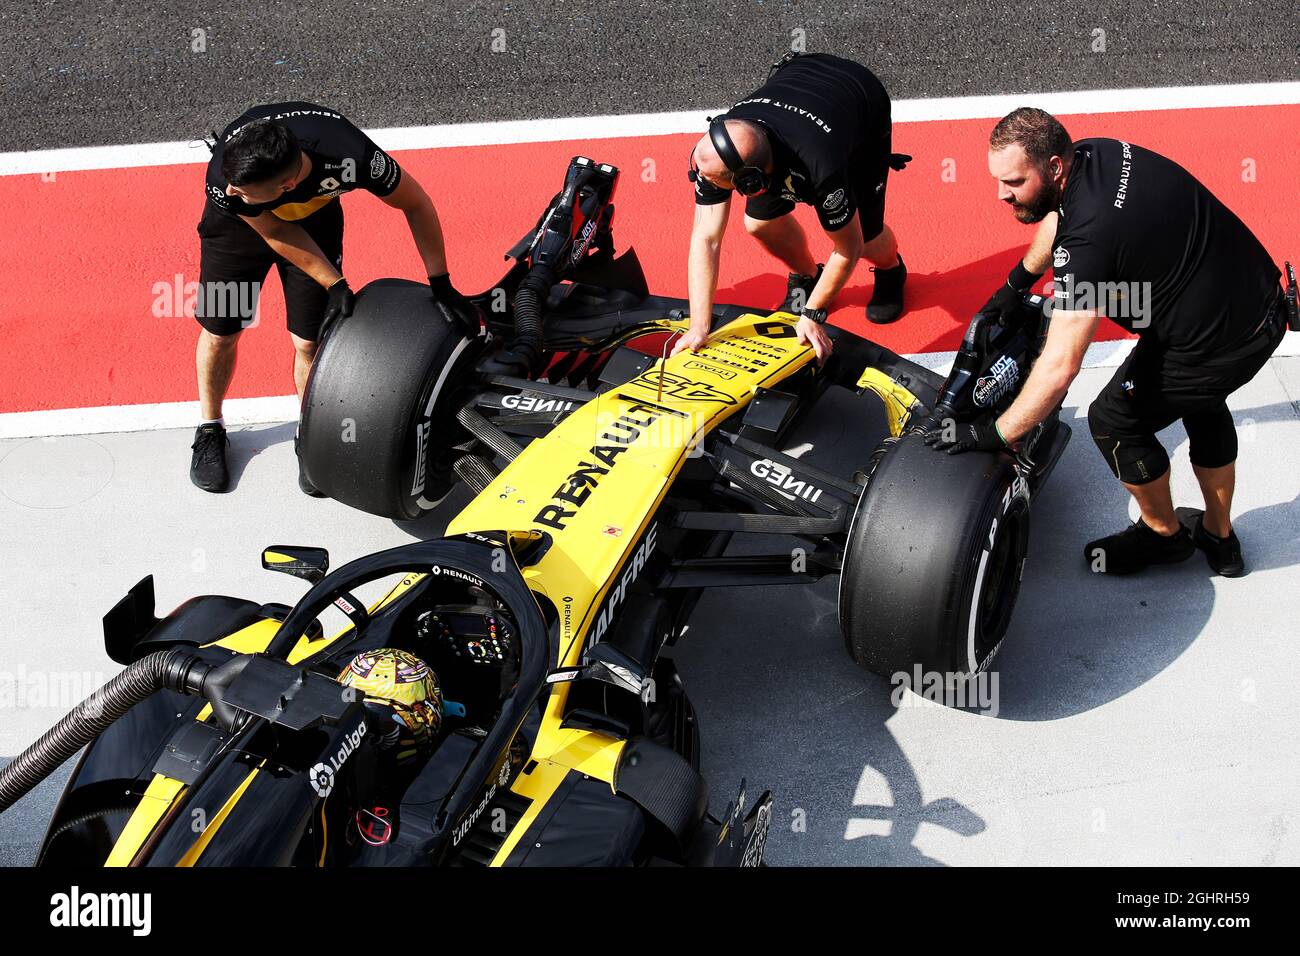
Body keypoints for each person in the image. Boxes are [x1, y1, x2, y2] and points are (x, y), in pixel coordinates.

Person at [927, 107, 1287, 577]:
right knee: (1201, 398)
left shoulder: (1089, 244)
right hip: (1256, 300)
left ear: (1054, 167)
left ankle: (1164, 536)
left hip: (1214, 341)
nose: (1001, 194)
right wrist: (1015, 287)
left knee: (1114, 419)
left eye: (1014, 182)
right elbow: (1061, 218)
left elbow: (1060, 366)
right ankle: (1221, 540)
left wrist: (994, 433)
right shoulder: (1097, 152)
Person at [191, 102, 479, 495]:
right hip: (238, 230)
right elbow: (274, 230)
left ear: (287, 185)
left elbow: (415, 201)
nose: (229, 190)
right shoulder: (226, 181)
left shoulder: (351, 155)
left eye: (239, 188)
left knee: (309, 342)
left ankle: (307, 436)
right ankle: (210, 427)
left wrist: (440, 280)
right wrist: (335, 282)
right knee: (222, 330)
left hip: (315, 219)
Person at [673, 52, 909, 365]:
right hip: (799, 87)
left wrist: (814, 313)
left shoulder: (820, 167)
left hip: (859, 101)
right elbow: (706, 238)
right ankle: (808, 275)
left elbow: (847, 248)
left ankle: (891, 269)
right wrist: (698, 326)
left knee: (866, 238)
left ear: (751, 181)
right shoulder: (720, 150)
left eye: (714, 179)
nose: (702, 179)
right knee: (760, 224)